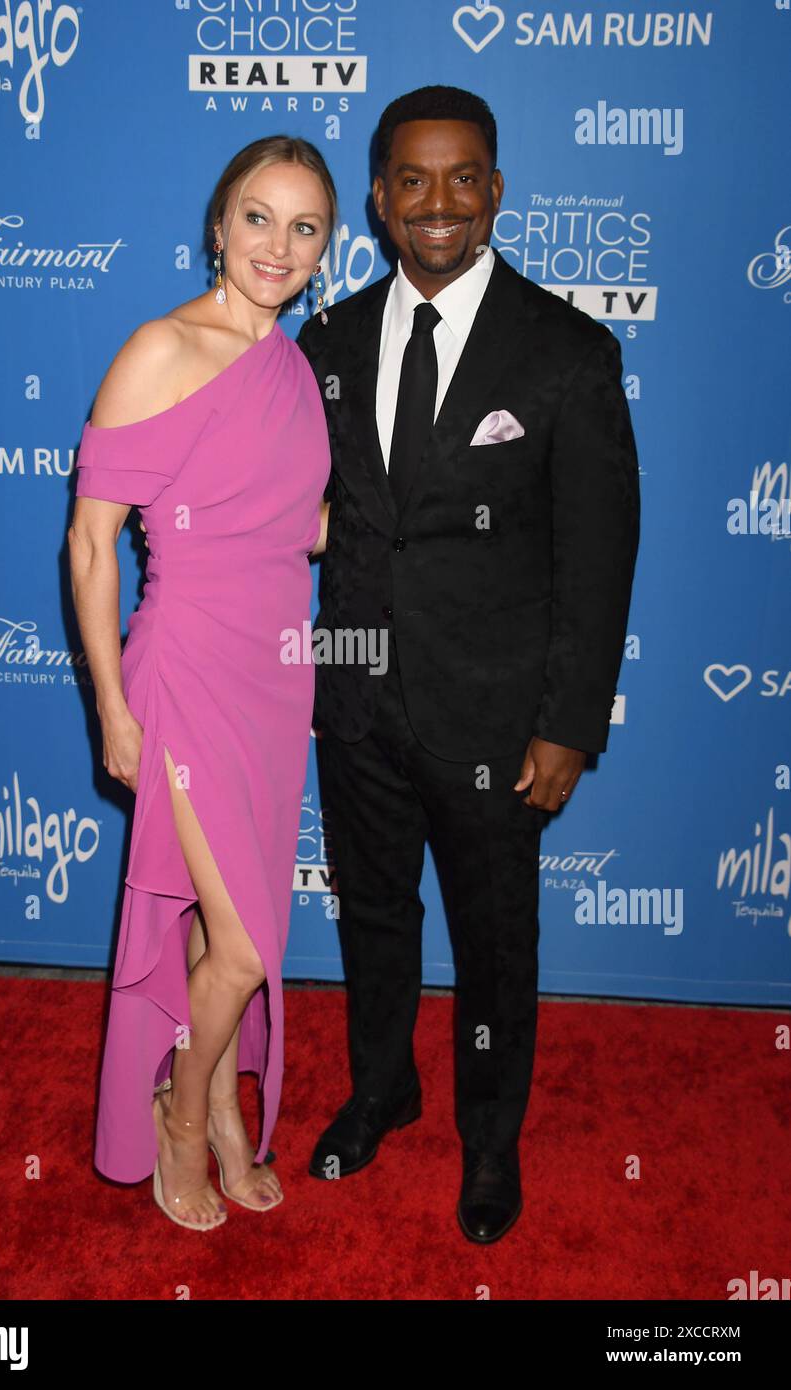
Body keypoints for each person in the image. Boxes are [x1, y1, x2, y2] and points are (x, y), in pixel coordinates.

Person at [297, 86, 640, 1243]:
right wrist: (318, 684)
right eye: (410, 180)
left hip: (497, 721)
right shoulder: (329, 339)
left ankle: (489, 1144)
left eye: (460, 178)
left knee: (494, 945)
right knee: (372, 917)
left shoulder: (565, 351)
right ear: (380, 199)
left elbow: (598, 558)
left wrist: (567, 724)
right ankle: (381, 1087)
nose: (435, 202)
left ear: (494, 188)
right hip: (358, 712)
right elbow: (333, 531)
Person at [69, 135, 334, 1231]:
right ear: (218, 225)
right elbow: (90, 546)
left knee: (222, 919)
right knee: (237, 942)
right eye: (257, 218)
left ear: (325, 247)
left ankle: (223, 1106)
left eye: (303, 226)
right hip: (181, 670)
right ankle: (187, 1115)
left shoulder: (294, 366)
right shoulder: (159, 348)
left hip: (274, 676)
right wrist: (112, 707)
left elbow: (299, 530)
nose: (277, 245)